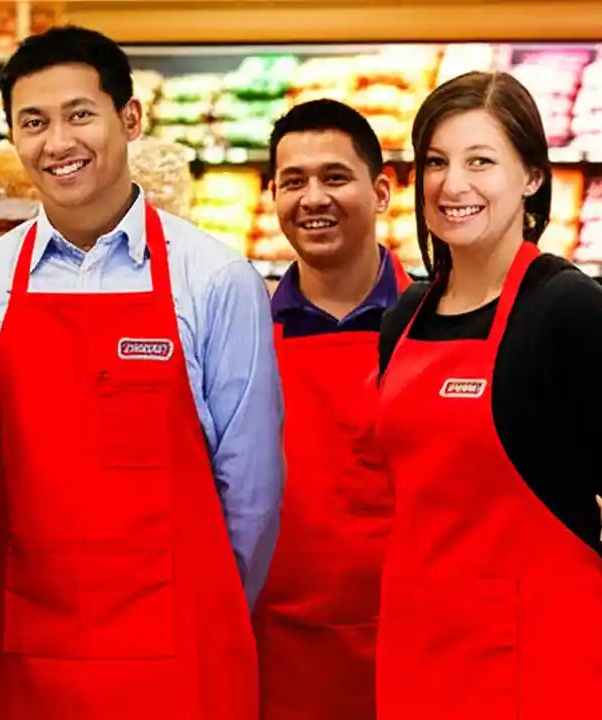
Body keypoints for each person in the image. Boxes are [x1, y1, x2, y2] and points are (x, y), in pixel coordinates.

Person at [0, 25, 283, 720]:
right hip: (31, 652)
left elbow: (251, 491)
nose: (58, 142)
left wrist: (209, 610)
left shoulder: (215, 280)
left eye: (79, 114)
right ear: (12, 138)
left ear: (130, 118)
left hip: (184, 656)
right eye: (33, 123)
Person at [377, 71, 602, 718]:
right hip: (418, 648)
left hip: (539, 664)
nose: (453, 185)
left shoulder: (568, 311)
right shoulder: (406, 317)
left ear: (532, 175)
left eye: (482, 161)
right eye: (437, 162)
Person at [252, 99, 409, 720]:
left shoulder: (436, 327)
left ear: (381, 191)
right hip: (277, 654)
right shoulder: (242, 332)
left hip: (413, 642)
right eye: (294, 181)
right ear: (273, 196)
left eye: (335, 177)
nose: (312, 197)